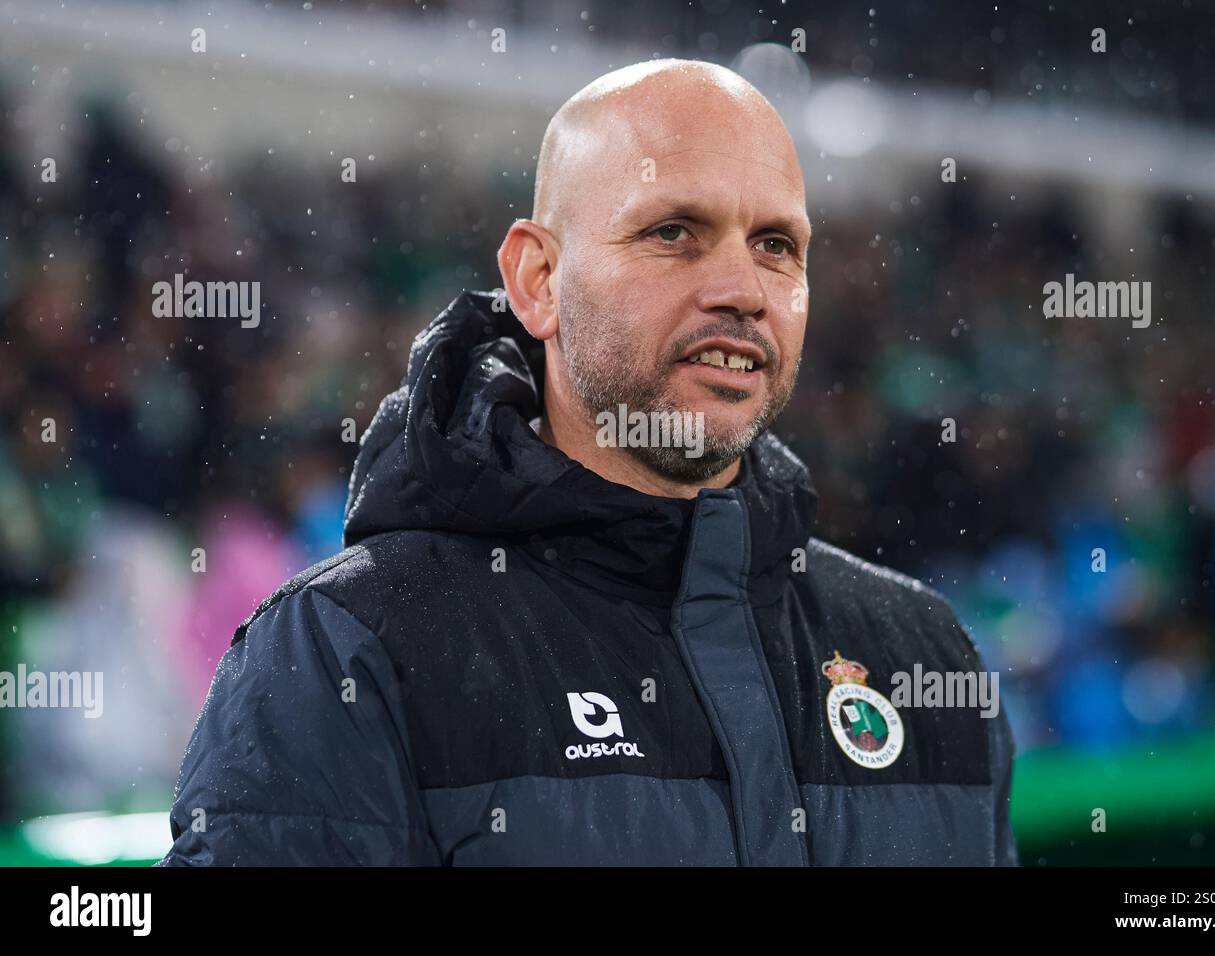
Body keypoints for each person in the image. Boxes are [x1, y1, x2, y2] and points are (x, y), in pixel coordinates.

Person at [158, 58, 1017, 866]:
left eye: (776, 246)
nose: (743, 290)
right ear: (538, 279)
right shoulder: (347, 650)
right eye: (675, 232)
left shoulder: (924, 653)